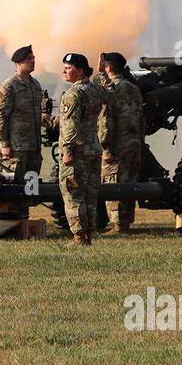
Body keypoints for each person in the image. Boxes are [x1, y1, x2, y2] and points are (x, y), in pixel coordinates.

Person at [93, 51, 145, 234]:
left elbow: (105, 120)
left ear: (108, 67)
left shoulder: (111, 89)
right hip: (134, 144)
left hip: (117, 146)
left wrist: (105, 146)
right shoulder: (133, 88)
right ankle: (125, 223)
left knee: (112, 183)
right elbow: (141, 119)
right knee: (129, 184)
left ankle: (118, 225)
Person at [57, 54, 103, 245]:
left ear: (80, 70)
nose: (64, 71)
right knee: (90, 195)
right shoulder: (94, 90)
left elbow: (70, 126)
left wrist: (67, 151)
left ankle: (78, 237)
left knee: (73, 194)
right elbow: (109, 92)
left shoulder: (73, 94)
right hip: (93, 148)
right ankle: (88, 237)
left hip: (77, 152)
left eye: (68, 68)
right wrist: (101, 73)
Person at [0, 45, 44, 181]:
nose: (33, 61)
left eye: (33, 58)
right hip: (17, 148)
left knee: (30, 188)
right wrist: (4, 144)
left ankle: (27, 203)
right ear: (19, 62)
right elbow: (0, 116)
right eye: (29, 59)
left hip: (34, 147)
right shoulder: (9, 86)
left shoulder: (36, 85)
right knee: (15, 186)